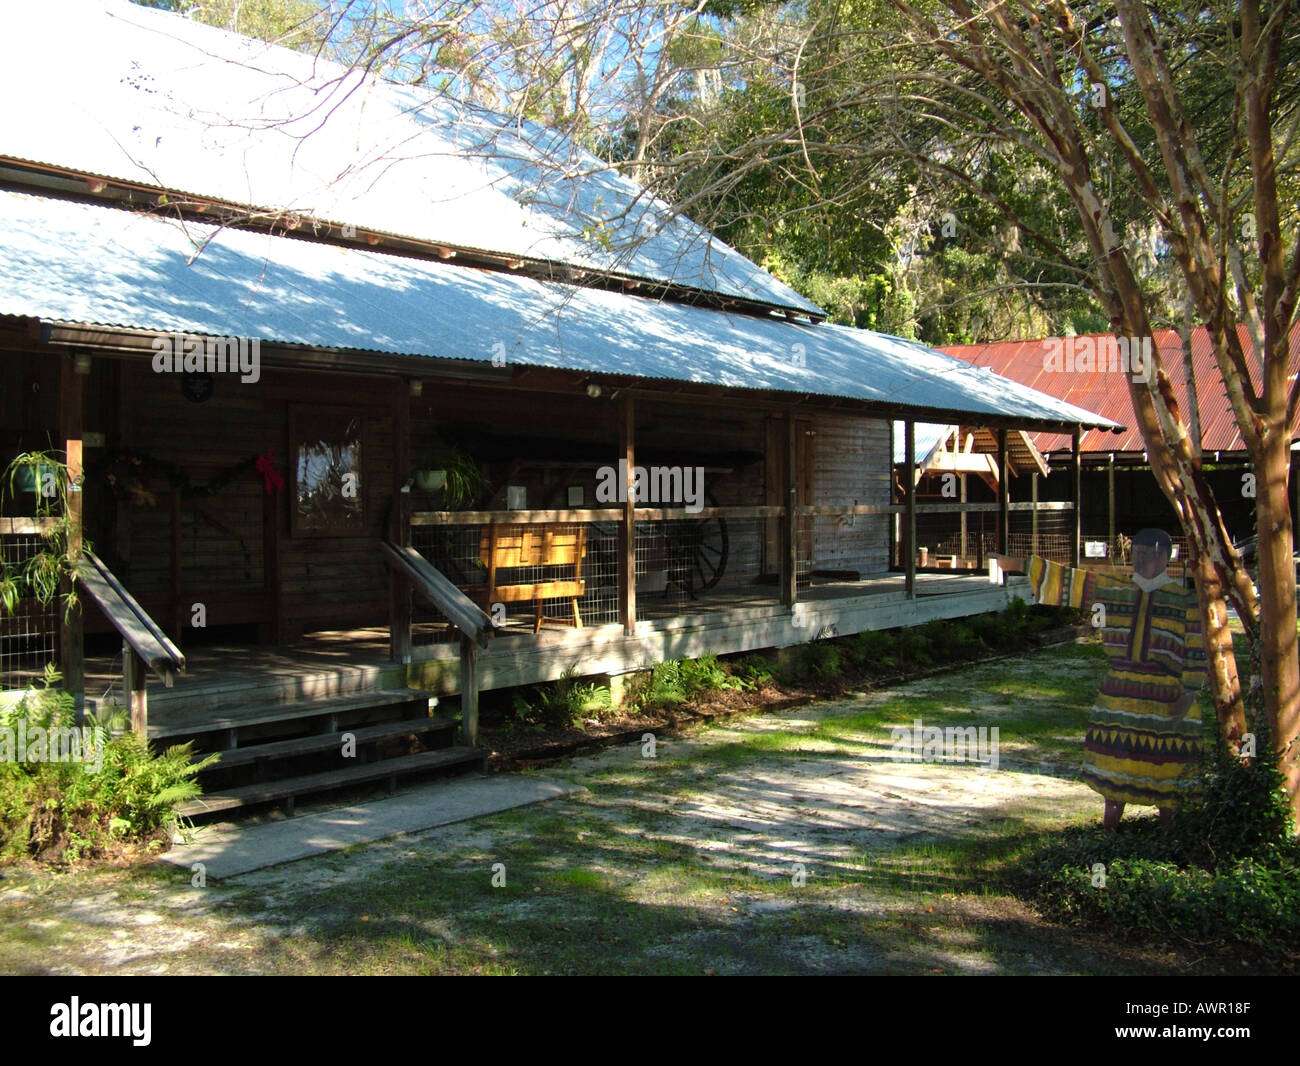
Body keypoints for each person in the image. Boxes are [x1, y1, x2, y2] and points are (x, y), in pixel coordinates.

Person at [991, 529, 1205, 830]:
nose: (1141, 559)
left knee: (1167, 766)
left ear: (1164, 556)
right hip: (1120, 693)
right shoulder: (1114, 589)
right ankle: (1109, 831)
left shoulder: (1184, 602)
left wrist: (1190, 691)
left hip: (1166, 695)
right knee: (1115, 762)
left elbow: (1197, 648)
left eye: (1148, 553)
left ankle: (1169, 834)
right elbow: (1072, 580)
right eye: (1137, 553)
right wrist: (1015, 564)